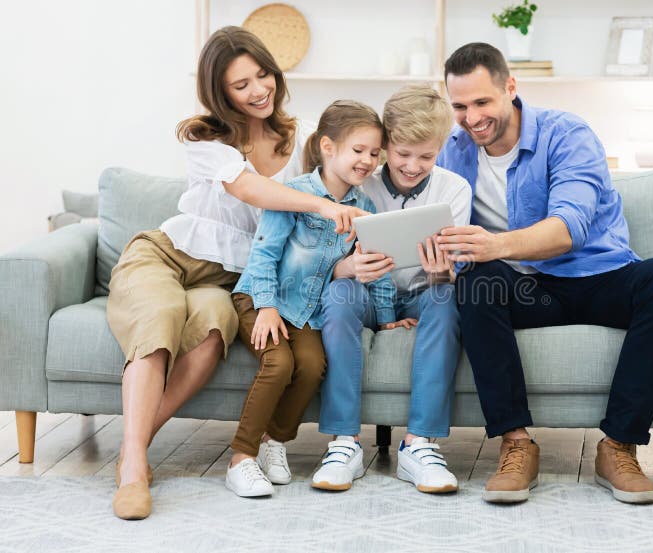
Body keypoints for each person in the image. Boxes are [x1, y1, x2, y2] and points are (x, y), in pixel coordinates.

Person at [106, 27, 365, 520]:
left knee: (209, 338)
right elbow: (249, 189)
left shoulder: (303, 139)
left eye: (263, 75)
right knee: (160, 320)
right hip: (168, 255)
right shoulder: (205, 139)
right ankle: (134, 468)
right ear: (220, 93)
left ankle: (130, 447)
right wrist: (320, 206)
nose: (259, 90)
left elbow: (347, 163)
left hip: (227, 281)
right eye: (241, 85)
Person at [435, 43, 653, 505]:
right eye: (460, 106)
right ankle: (515, 445)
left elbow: (569, 228)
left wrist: (494, 245)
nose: (472, 118)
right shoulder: (453, 151)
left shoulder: (567, 134)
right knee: (476, 281)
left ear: (511, 88)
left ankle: (618, 447)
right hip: (529, 290)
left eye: (482, 102)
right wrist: (441, 261)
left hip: (599, 276)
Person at [223, 99, 389, 497]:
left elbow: (369, 266)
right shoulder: (292, 194)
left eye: (374, 153)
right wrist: (266, 308)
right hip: (261, 299)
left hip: (305, 313)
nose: (367, 161)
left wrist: (385, 316)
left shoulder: (365, 208)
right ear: (328, 147)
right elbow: (264, 254)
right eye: (358, 150)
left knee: (313, 366)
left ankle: (273, 443)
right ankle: (241, 458)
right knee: (279, 363)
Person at [310, 85, 472, 493]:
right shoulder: (358, 184)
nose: (413, 166)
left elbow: (453, 271)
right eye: (402, 154)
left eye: (426, 157)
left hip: (423, 292)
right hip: (367, 295)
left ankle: (419, 444)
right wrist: (347, 267)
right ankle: (344, 442)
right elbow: (322, 258)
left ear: (440, 150)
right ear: (385, 146)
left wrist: (442, 272)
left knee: (447, 297)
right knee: (338, 293)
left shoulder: (454, 189)